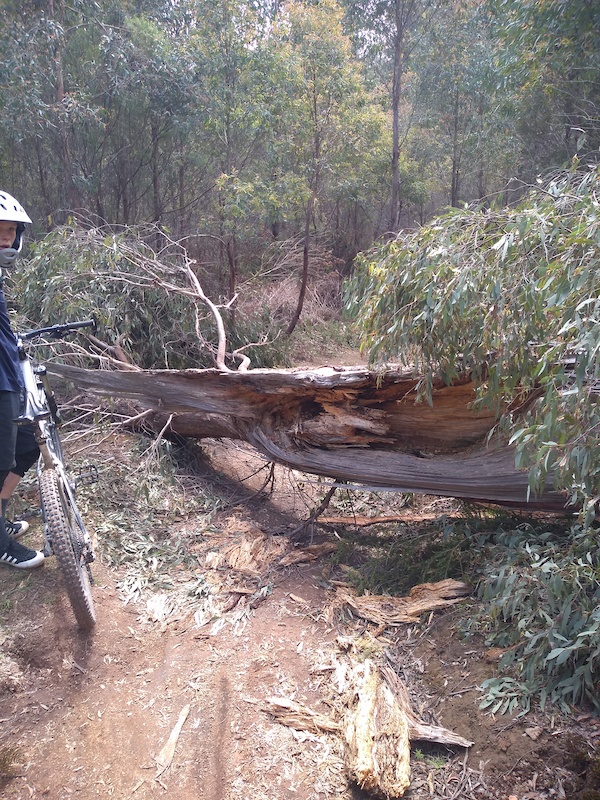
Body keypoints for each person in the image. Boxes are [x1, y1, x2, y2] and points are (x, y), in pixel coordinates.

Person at [0, 190, 44, 568]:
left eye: (11, 231)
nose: (6, 238)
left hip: (9, 378)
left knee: (27, 446)